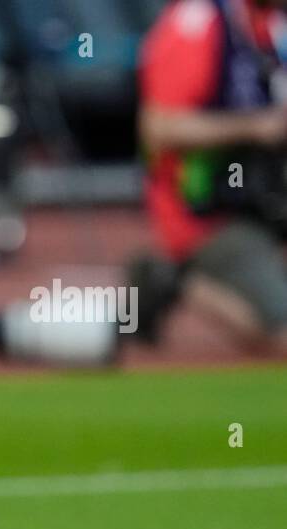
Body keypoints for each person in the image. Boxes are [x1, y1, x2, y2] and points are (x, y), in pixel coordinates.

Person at [133, 0, 287, 349]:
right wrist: (258, 127)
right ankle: (173, 279)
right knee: (280, 336)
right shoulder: (197, 24)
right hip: (207, 212)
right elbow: (158, 129)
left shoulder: (271, 23)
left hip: (272, 198)